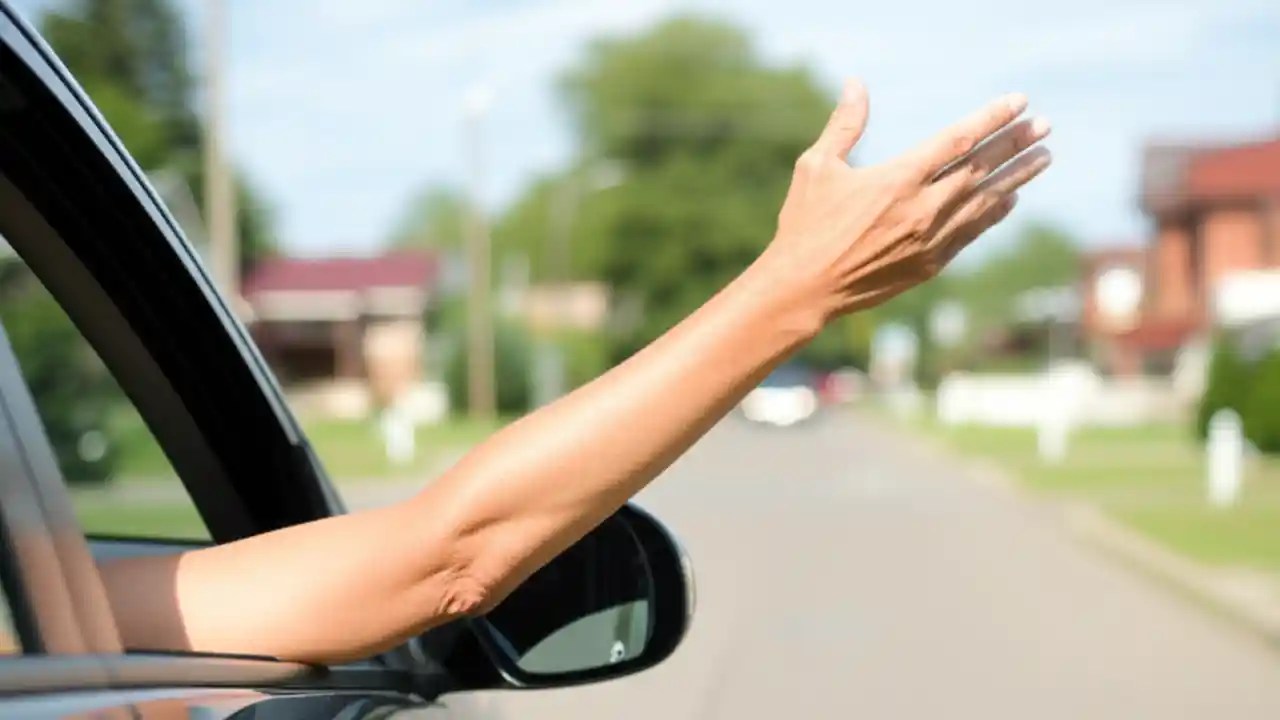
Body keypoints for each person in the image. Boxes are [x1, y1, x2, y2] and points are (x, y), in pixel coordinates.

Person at [99, 80, 1051, 664]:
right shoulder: (37, 613)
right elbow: (450, 560)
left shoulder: (40, 608)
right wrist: (796, 287)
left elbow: (450, 553)